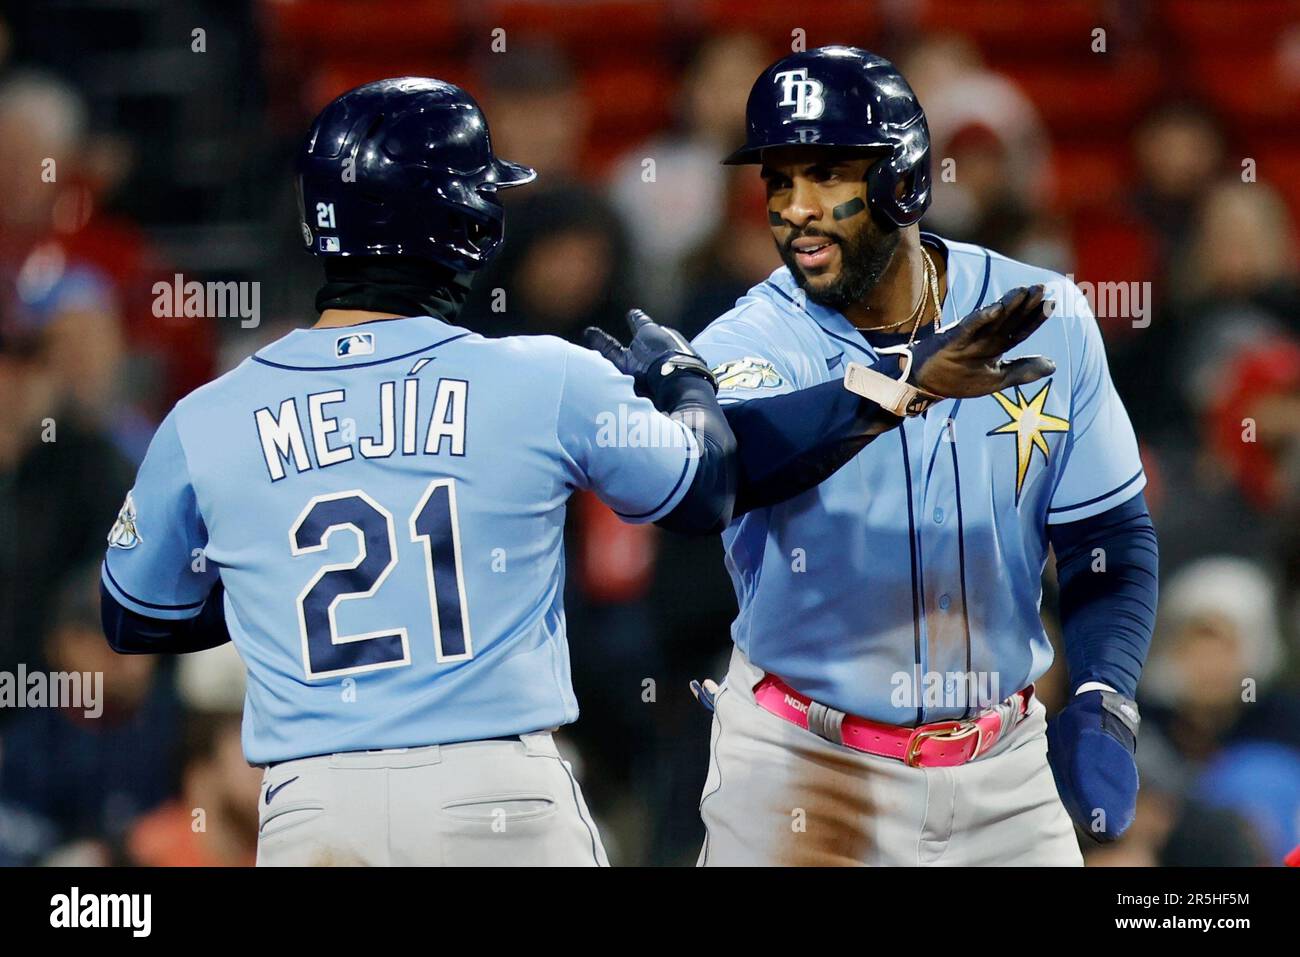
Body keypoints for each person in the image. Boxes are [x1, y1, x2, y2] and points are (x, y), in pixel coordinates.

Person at [99, 77, 739, 867]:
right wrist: (685, 381)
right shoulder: (544, 376)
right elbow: (706, 487)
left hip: (315, 809)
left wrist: (275, 590)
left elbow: (136, 617)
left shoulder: (207, 415)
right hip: (499, 796)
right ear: (460, 220)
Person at [671, 47, 1159, 866]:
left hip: (1005, 771)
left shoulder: (1043, 313)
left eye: (825, 175)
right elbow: (735, 464)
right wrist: (900, 384)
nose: (795, 208)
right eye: (777, 183)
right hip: (806, 768)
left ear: (903, 179)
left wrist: (1106, 693)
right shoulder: (752, 338)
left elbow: (1106, 539)